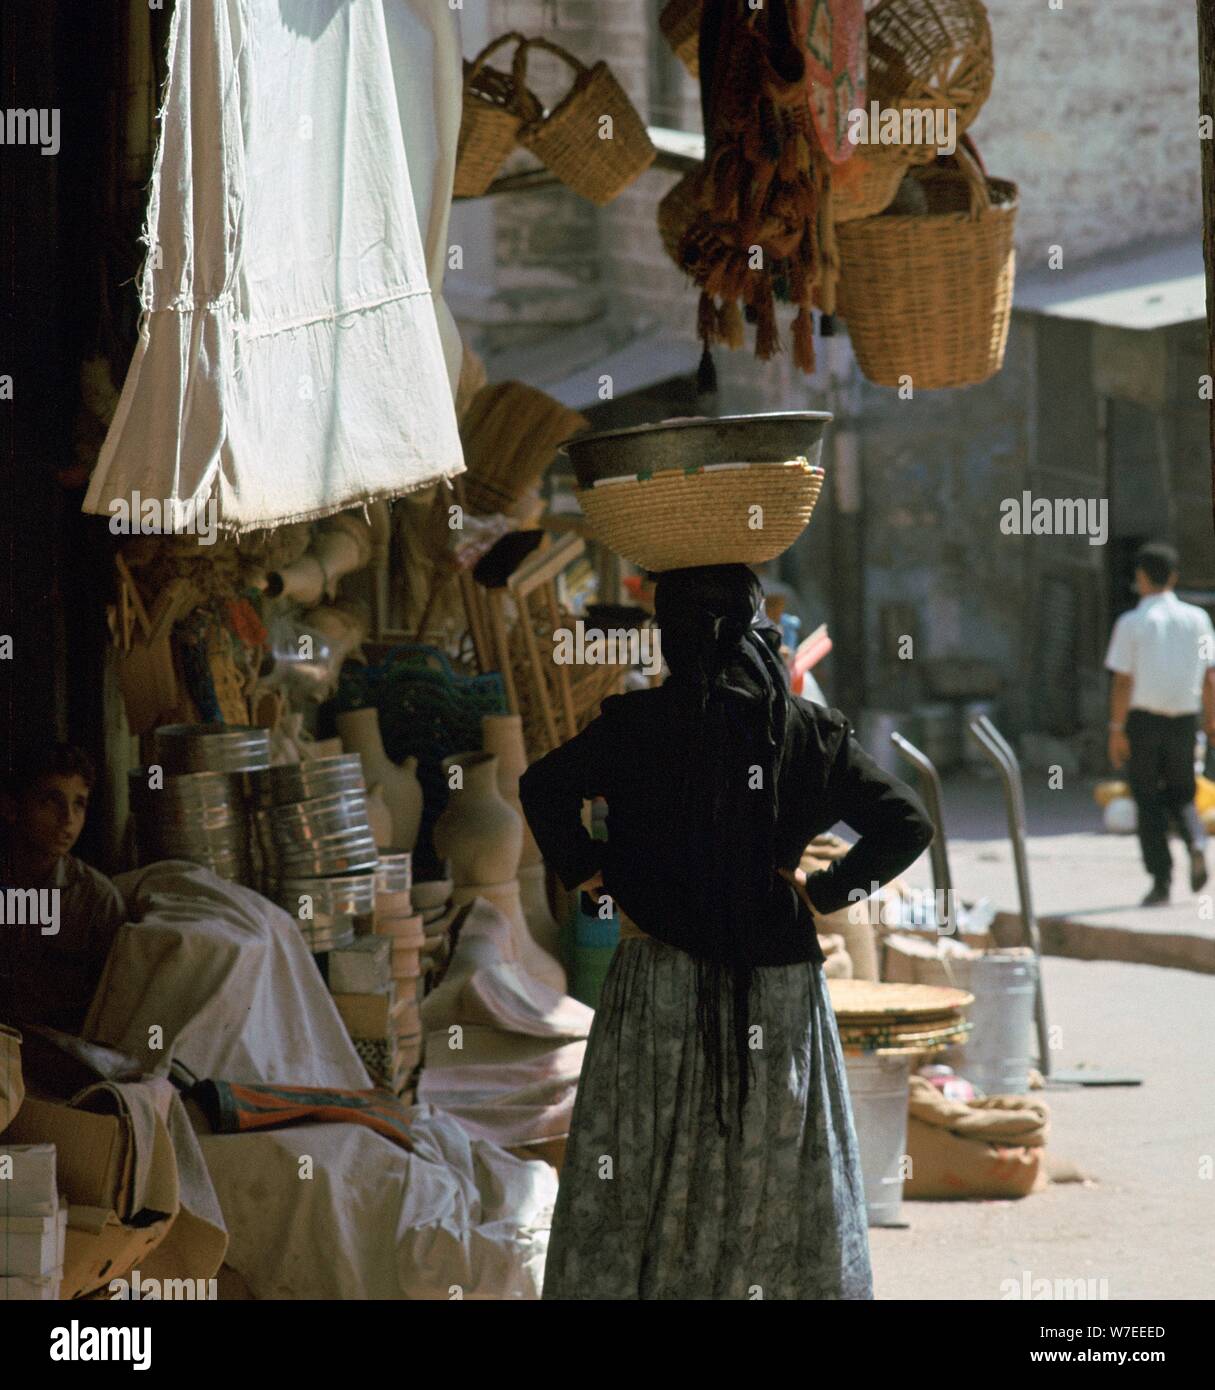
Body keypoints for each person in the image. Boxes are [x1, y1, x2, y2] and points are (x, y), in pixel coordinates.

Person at [520, 564, 934, 1300]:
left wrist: (593, 877)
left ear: (669, 638)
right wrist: (824, 891)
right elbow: (906, 821)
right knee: (770, 1172)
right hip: (777, 998)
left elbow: (542, 786)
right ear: (753, 628)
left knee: (646, 1165)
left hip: (657, 988)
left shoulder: (636, 723)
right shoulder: (804, 728)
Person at [1105, 542, 1215, 907]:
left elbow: (1123, 682)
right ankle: (1196, 843)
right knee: (1183, 791)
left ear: (1140, 578)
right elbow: (1210, 677)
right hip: (1185, 720)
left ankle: (1160, 881)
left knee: (1148, 798)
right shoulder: (1197, 619)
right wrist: (1211, 718)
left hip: (1143, 722)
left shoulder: (1133, 622)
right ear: (1174, 576)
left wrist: (1116, 730)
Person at [0, 743, 125, 1031]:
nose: (68, 819)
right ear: (11, 807)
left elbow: (114, 1005)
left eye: (78, 804)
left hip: (60, 1048)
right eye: (51, 801)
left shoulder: (96, 899)